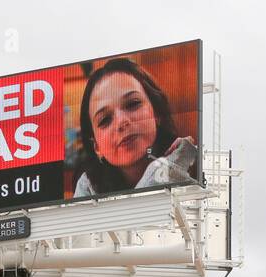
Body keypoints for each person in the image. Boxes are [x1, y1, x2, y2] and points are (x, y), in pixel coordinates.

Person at [72, 57, 197, 198]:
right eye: (105, 120)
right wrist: (159, 170)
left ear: (156, 112)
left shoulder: (199, 166)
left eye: (132, 104)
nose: (121, 121)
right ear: (96, 147)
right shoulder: (87, 185)